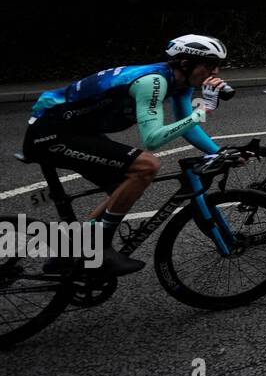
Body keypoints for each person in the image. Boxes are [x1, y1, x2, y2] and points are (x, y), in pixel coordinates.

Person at [22, 35, 231, 275]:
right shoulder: (153, 81)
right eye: (211, 64)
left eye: (219, 65)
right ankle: (99, 246)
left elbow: (188, 127)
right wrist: (203, 109)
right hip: (50, 133)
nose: (216, 71)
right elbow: (153, 139)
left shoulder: (181, 83)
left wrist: (219, 153)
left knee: (124, 183)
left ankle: (72, 251)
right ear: (185, 63)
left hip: (74, 130)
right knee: (146, 166)